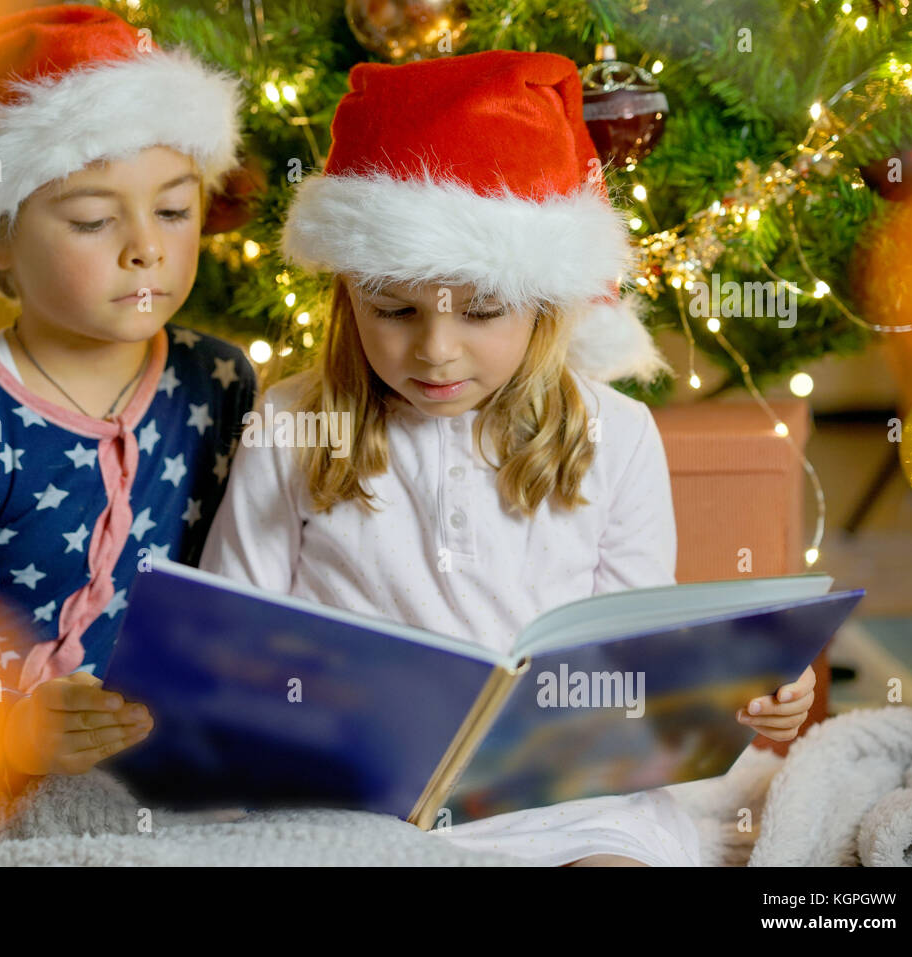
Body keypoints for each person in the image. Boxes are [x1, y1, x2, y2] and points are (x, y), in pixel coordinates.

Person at [198, 49, 814, 866]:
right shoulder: (290, 422)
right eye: (394, 308)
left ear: (545, 304)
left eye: (482, 310)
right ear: (349, 293)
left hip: (563, 798)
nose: (436, 350)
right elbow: (225, 635)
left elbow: (637, 655)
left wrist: (743, 689)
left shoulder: (618, 435)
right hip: (351, 800)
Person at [0, 5, 255, 805]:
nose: (146, 246)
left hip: (181, 746)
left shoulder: (223, 380)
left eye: (174, 209)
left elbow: (264, 566)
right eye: (96, 219)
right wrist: (12, 724)